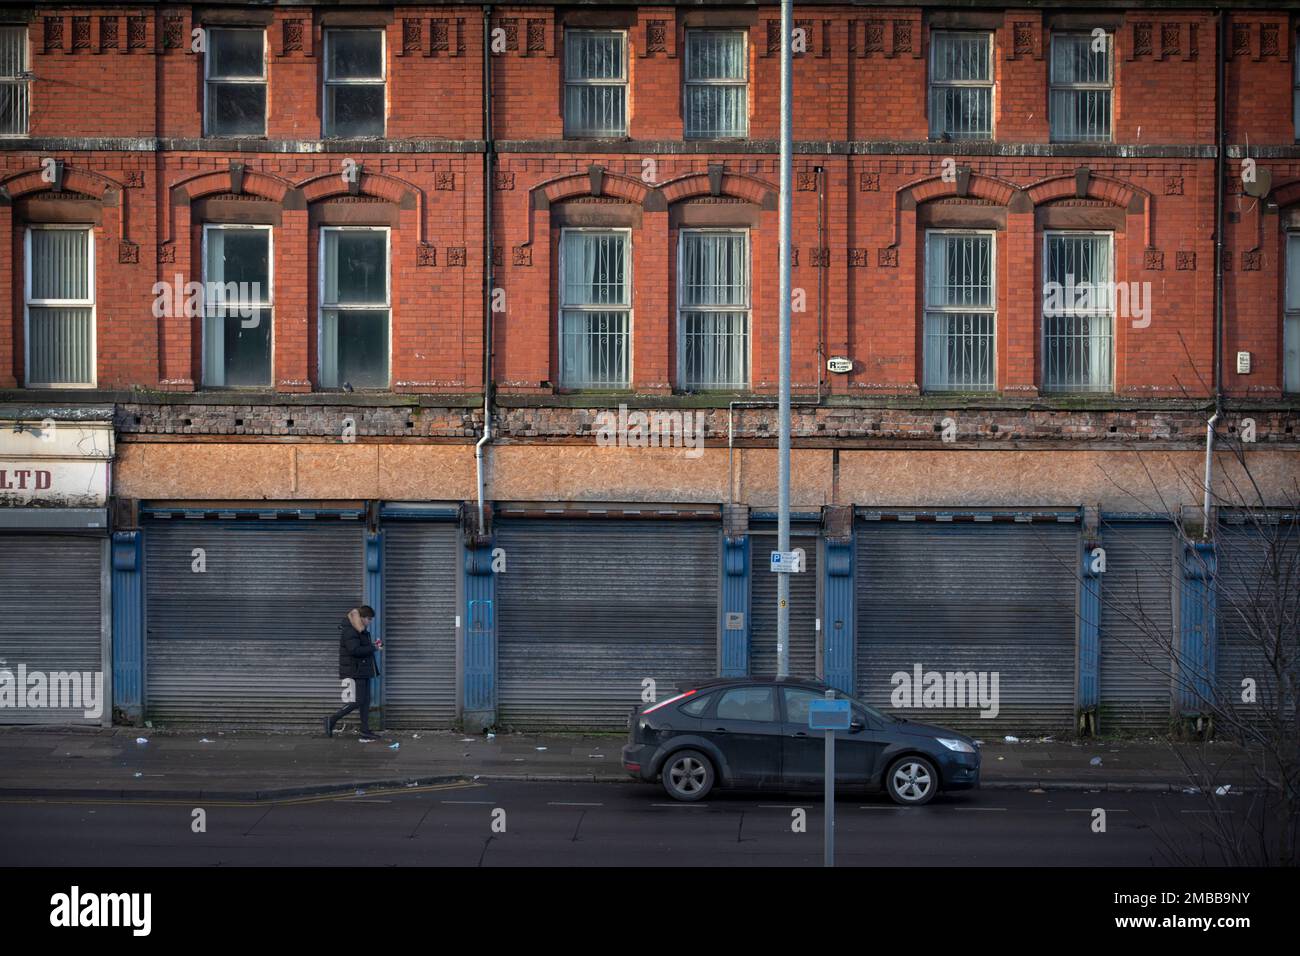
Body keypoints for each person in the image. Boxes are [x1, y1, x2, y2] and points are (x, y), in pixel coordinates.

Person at [326, 605, 382, 741]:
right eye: (369, 619)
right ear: (362, 618)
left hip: (362, 670)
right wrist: (373, 648)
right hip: (355, 670)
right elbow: (354, 650)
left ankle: (365, 731)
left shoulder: (360, 630)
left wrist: (372, 646)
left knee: (365, 701)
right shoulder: (350, 631)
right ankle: (331, 719)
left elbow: (361, 647)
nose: (370, 621)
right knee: (358, 701)